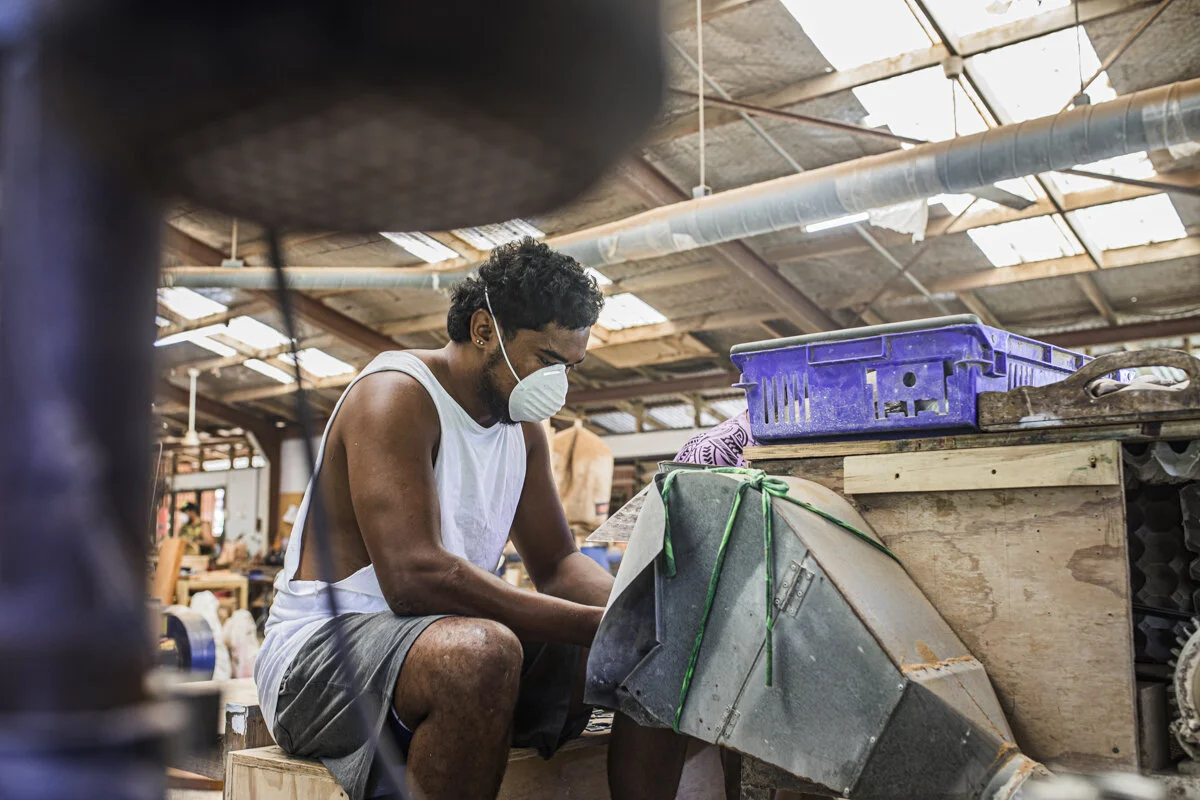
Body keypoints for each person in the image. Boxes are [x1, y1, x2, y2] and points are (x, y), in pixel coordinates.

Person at [256, 239, 692, 800]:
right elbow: (415, 581)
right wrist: (593, 625)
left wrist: (635, 612)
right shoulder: (396, 395)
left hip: (429, 644)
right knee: (480, 655)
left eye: (571, 366)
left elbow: (558, 564)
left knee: (662, 640)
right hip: (319, 663)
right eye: (546, 359)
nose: (558, 382)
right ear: (485, 329)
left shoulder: (523, 430)